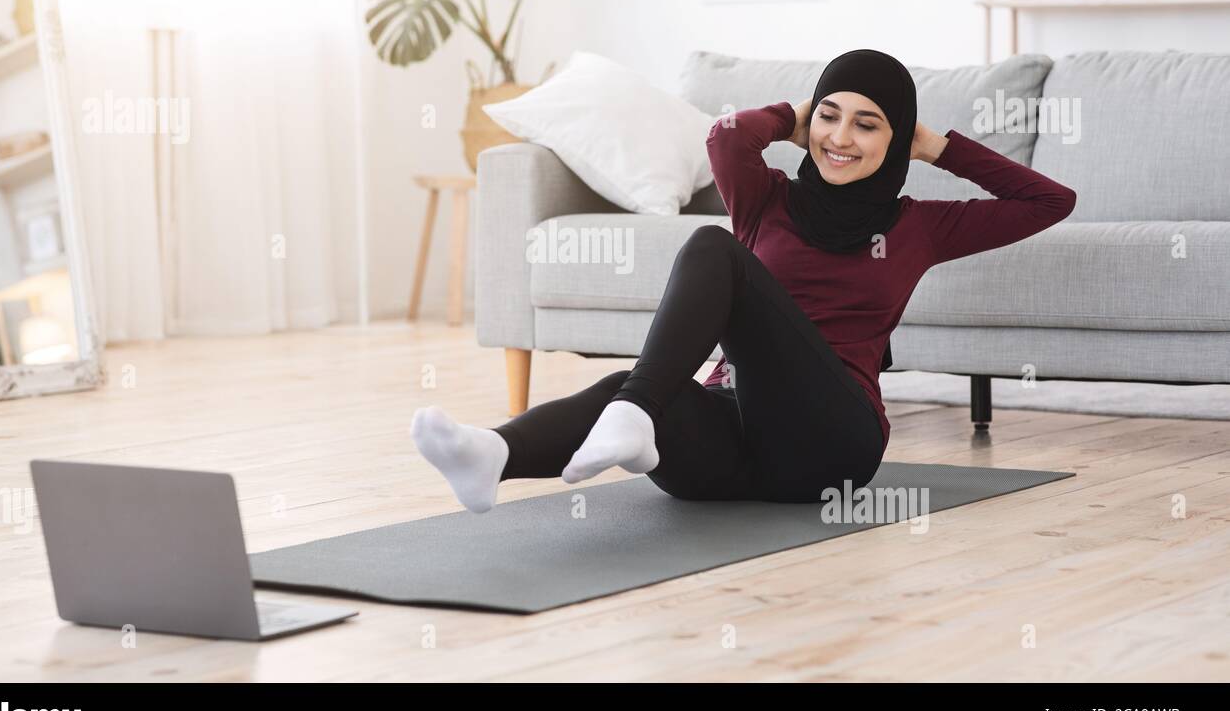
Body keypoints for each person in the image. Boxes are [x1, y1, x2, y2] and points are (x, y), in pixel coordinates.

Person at [409, 49, 1078, 513]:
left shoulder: (919, 227)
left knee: (712, 252)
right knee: (631, 386)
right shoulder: (768, 200)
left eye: (867, 124)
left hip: (830, 449)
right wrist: (794, 114)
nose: (840, 136)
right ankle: (492, 453)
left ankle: (636, 412)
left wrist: (939, 147)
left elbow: (1050, 202)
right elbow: (727, 137)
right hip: (726, 455)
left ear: (897, 139)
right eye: (829, 115)